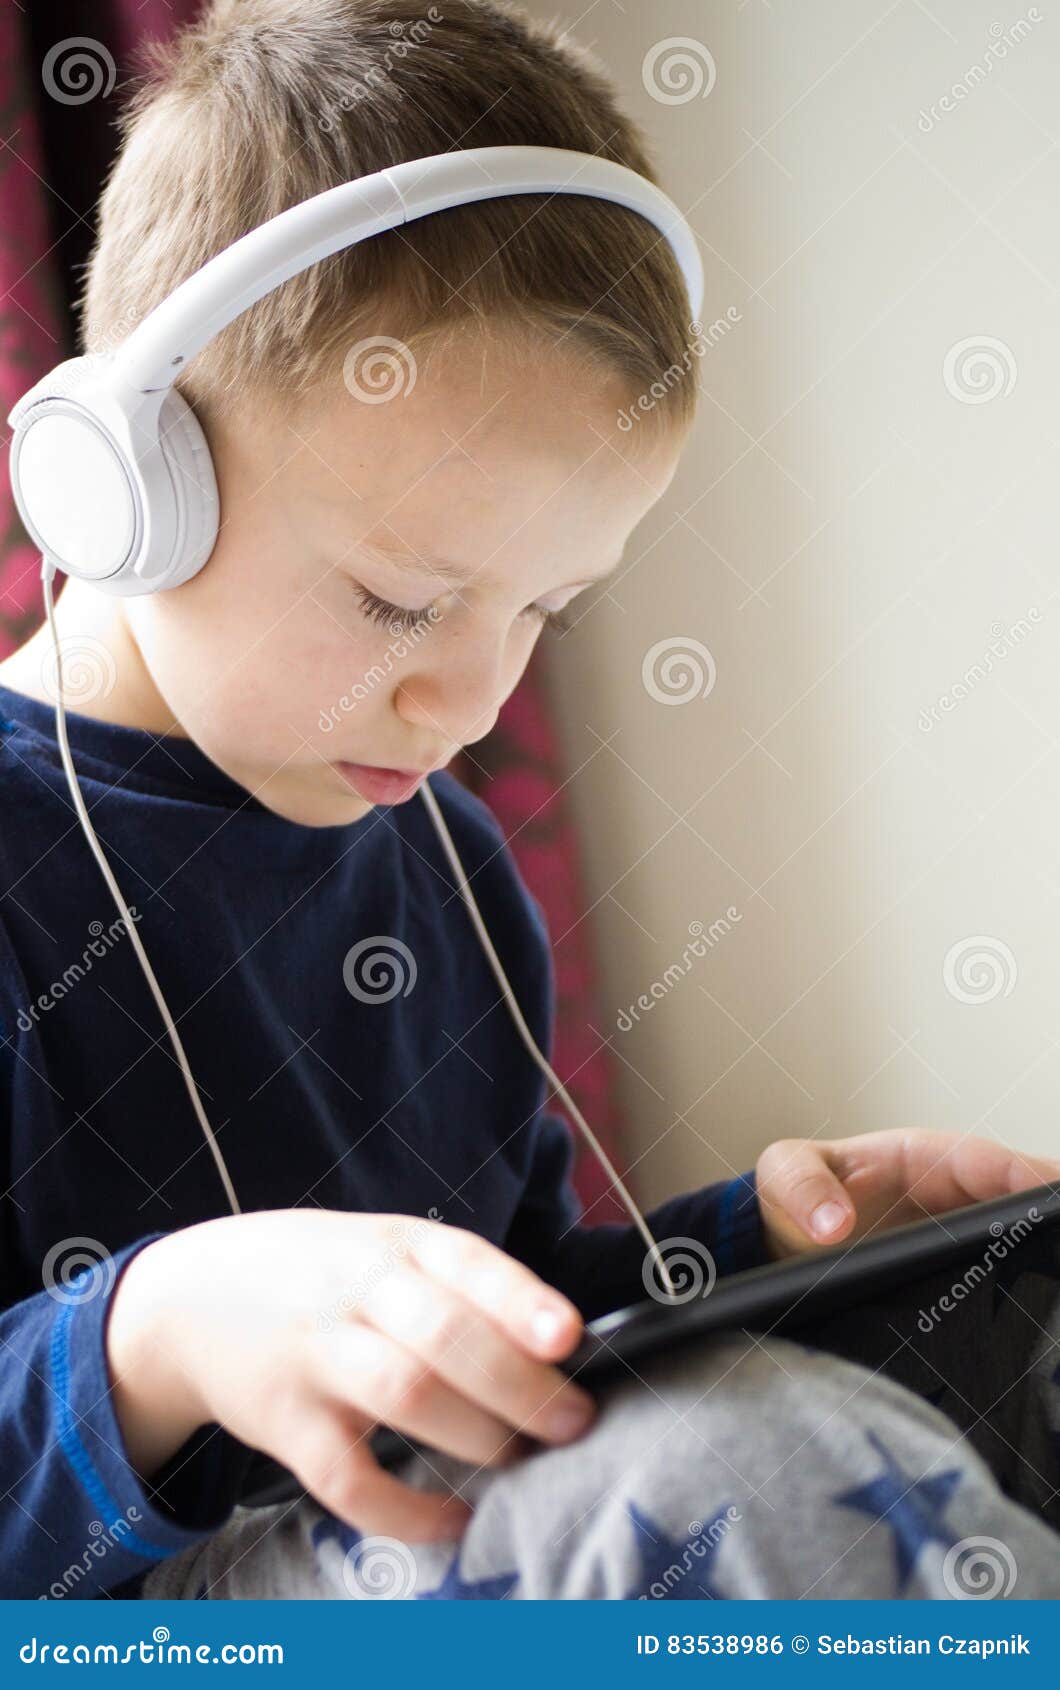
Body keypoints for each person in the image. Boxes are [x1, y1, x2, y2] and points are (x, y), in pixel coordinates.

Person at [1, 0, 1057, 1603]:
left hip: (406, 1557)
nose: (475, 700)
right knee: (737, 1475)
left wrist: (757, 1252)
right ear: (126, 479)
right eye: (403, 601)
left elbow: (508, 1326)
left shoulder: (439, 854)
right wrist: (154, 1335)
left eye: (541, 612)